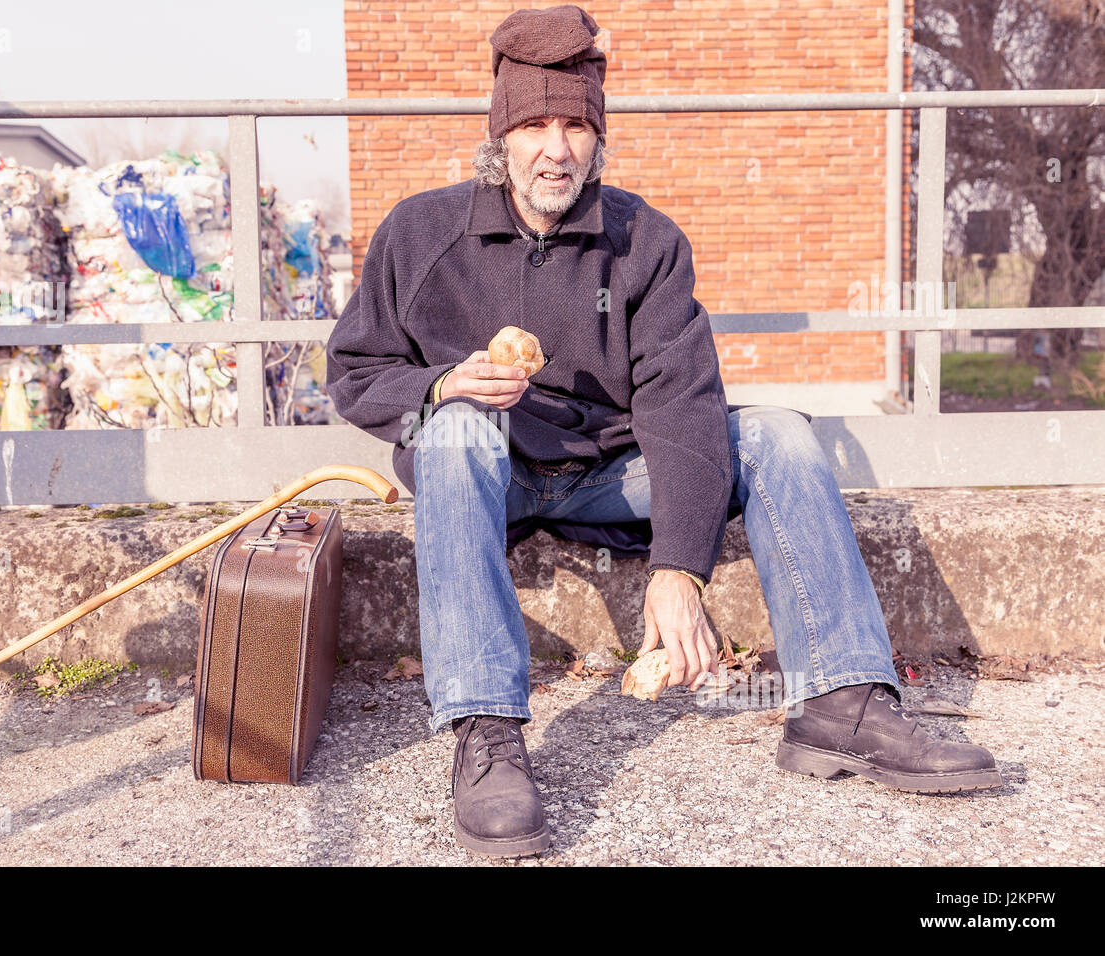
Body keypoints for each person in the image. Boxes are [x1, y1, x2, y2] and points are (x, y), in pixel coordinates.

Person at [326, 3, 1001, 858]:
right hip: (487, 478)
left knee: (778, 434)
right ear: (501, 137)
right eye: (535, 123)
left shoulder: (646, 242)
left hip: (615, 473)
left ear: (598, 137)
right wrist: (441, 383)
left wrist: (679, 565)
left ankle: (841, 704)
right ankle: (487, 733)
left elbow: (683, 405)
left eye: (575, 124)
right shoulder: (421, 234)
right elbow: (354, 373)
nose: (556, 147)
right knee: (454, 430)